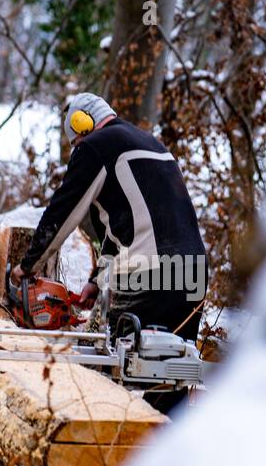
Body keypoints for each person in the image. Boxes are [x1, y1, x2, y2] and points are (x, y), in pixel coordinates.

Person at [11, 92, 209, 414]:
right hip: (193, 273)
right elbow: (124, 230)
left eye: (74, 142)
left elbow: (64, 210)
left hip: (151, 275)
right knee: (168, 376)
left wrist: (28, 265)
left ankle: (98, 446)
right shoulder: (150, 144)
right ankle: (168, 452)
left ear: (82, 125)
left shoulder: (95, 147)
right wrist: (97, 280)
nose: (75, 150)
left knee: (104, 370)